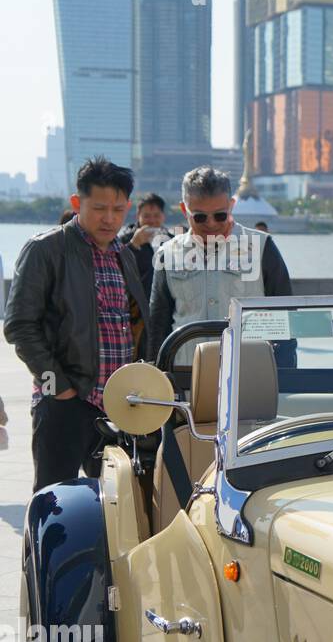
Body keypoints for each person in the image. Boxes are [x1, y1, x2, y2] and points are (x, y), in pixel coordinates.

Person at [5, 156, 150, 489]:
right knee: (54, 506)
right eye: (99, 208)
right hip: (65, 404)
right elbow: (19, 326)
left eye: (117, 209)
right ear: (77, 202)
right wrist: (60, 388)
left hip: (119, 405)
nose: (109, 218)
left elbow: (136, 325)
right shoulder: (45, 249)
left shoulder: (124, 255)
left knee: (120, 508)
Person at [149, 167, 293, 362]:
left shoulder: (262, 247)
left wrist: (284, 376)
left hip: (249, 375)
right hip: (186, 376)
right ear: (184, 210)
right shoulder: (167, 253)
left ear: (231, 206)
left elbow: (285, 318)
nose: (211, 224)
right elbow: (158, 322)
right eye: (199, 217)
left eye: (220, 216)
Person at [119, 191, 171, 297]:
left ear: (163, 216)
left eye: (156, 215)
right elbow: (117, 267)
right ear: (138, 216)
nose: (151, 220)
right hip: (134, 303)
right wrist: (134, 245)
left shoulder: (172, 240)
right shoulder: (124, 239)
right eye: (146, 216)